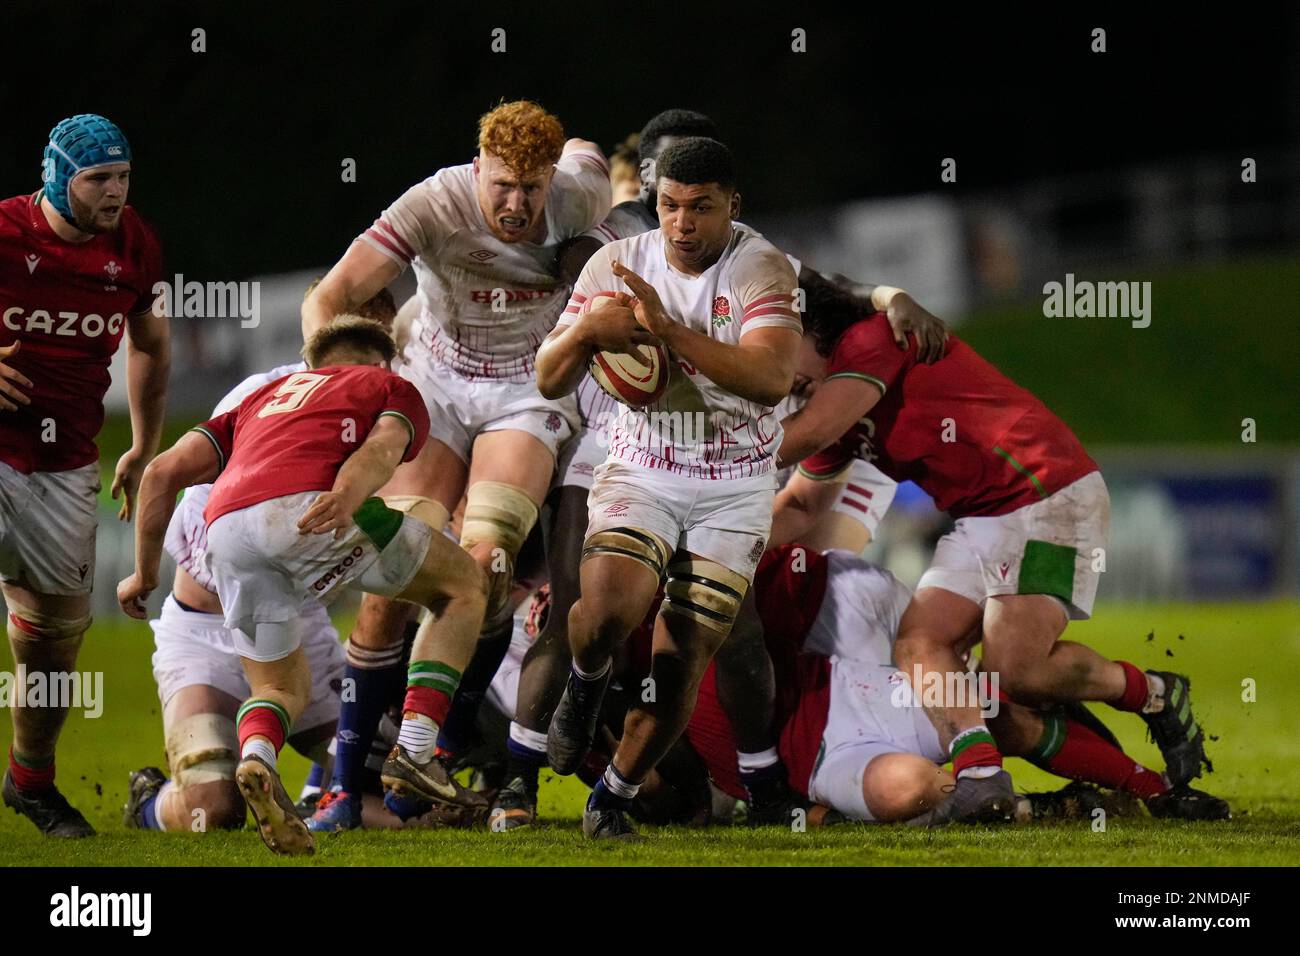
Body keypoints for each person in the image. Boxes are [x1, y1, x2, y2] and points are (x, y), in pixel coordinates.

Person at [773, 280, 1209, 822]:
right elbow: (800, 504)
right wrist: (712, 548)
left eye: (778, 343)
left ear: (815, 329)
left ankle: (1152, 691)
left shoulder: (868, 342)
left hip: (1046, 491)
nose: (778, 369)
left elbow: (806, 423)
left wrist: (710, 454)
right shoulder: (827, 406)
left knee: (1015, 675)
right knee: (920, 643)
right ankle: (982, 775)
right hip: (982, 518)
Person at [301, 102, 610, 829]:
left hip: (527, 391)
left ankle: (424, 751)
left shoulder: (580, 193)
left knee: (488, 563)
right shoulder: (433, 202)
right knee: (390, 581)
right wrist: (330, 393)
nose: (516, 204)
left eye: (531, 188)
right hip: (436, 386)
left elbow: (603, 172)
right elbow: (331, 295)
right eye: (501, 184)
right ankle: (346, 788)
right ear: (478, 168)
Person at [117, 318, 488, 855]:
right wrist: (347, 493)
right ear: (383, 361)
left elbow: (160, 474)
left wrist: (143, 574)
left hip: (239, 548)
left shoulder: (260, 395)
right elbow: (381, 451)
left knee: (279, 693)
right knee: (461, 588)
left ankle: (266, 762)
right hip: (216, 621)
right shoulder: (388, 387)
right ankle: (417, 747)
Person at [536, 136, 803, 840]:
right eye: (670, 206)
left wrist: (668, 331)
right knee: (605, 614)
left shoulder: (762, 268)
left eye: (701, 208)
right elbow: (548, 377)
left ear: (732, 206)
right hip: (647, 462)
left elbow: (773, 378)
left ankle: (612, 798)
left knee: (683, 651)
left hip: (736, 481)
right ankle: (586, 683)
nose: (683, 224)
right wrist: (586, 330)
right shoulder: (617, 263)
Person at [1, 114, 168, 837]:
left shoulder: (133, 244)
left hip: (64, 461)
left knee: (52, 643)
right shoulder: (5, 233)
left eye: (123, 177)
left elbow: (152, 347)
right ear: (56, 176)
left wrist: (143, 445)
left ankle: (29, 781)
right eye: (98, 178)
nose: (115, 193)